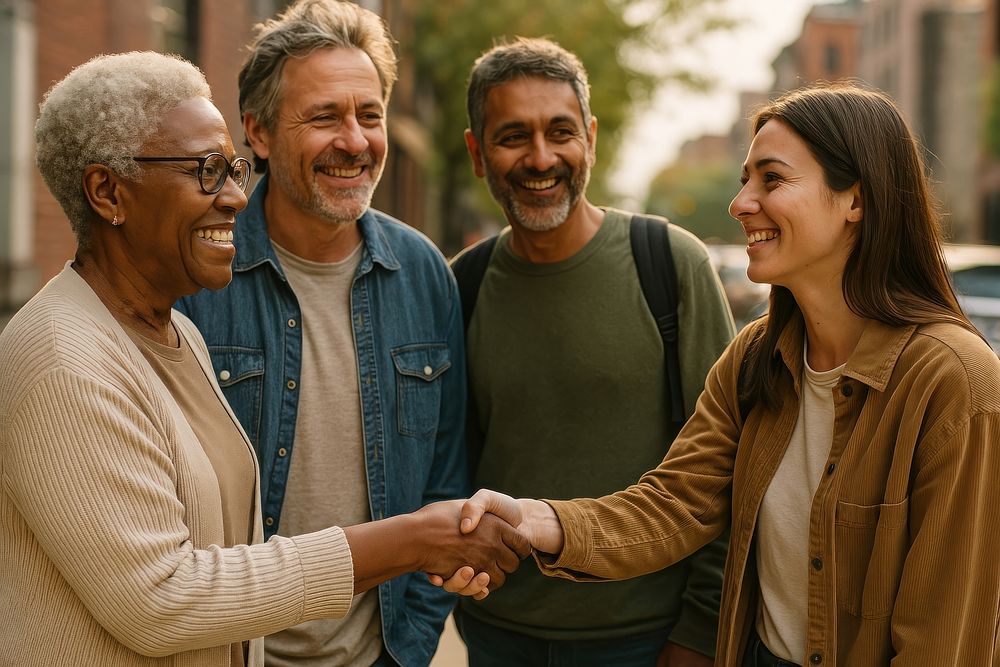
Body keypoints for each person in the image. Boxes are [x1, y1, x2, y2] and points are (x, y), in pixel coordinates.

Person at [0, 50, 527, 667]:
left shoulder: (174, 332)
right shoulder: (64, 361)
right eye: (205, 171)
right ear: (107, 192)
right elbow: (163, 599)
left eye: (233, 170)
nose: (234, 197)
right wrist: (407, 541)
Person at [454, 83, 1000, 666]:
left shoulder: (956, 383)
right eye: (745, 180)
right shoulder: (756, 357)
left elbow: (942, 644)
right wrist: (535, 519)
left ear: (856, 201)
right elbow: (675, 504)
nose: (740, 203)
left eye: (772, 179)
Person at [173, 2, 469, 666]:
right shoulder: (196, 273)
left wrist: (412, 642)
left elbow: (445, 478)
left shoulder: (424, 272)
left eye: (370, 115)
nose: (356, 142)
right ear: (258, 132)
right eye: (325, 117)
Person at [450, 37, 735, 667]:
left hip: (648, 638)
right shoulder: (462, 284)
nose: (541, 157)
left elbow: (728, 464)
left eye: (561, 132)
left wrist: (700, 631)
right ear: (476, 153)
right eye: (513, 136)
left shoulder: (669, 264)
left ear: (591, 138)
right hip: (498, 636)